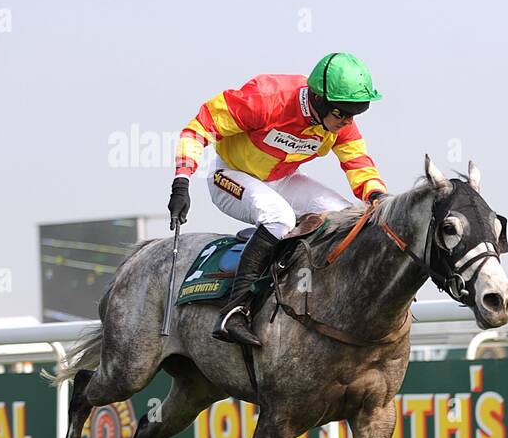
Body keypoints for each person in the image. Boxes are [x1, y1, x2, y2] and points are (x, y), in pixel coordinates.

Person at [166, 53, 389, 347]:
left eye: (354, 115)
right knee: (279, 217)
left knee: (345, 215)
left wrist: (377, 197)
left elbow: (358, 163)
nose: (347, 122)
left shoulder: (340, 123)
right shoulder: (266, 98)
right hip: (230, 175)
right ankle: (234, 310)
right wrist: (182, 181)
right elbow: (199, 127)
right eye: (342, 114)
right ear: (319, 100)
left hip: (281, 179)